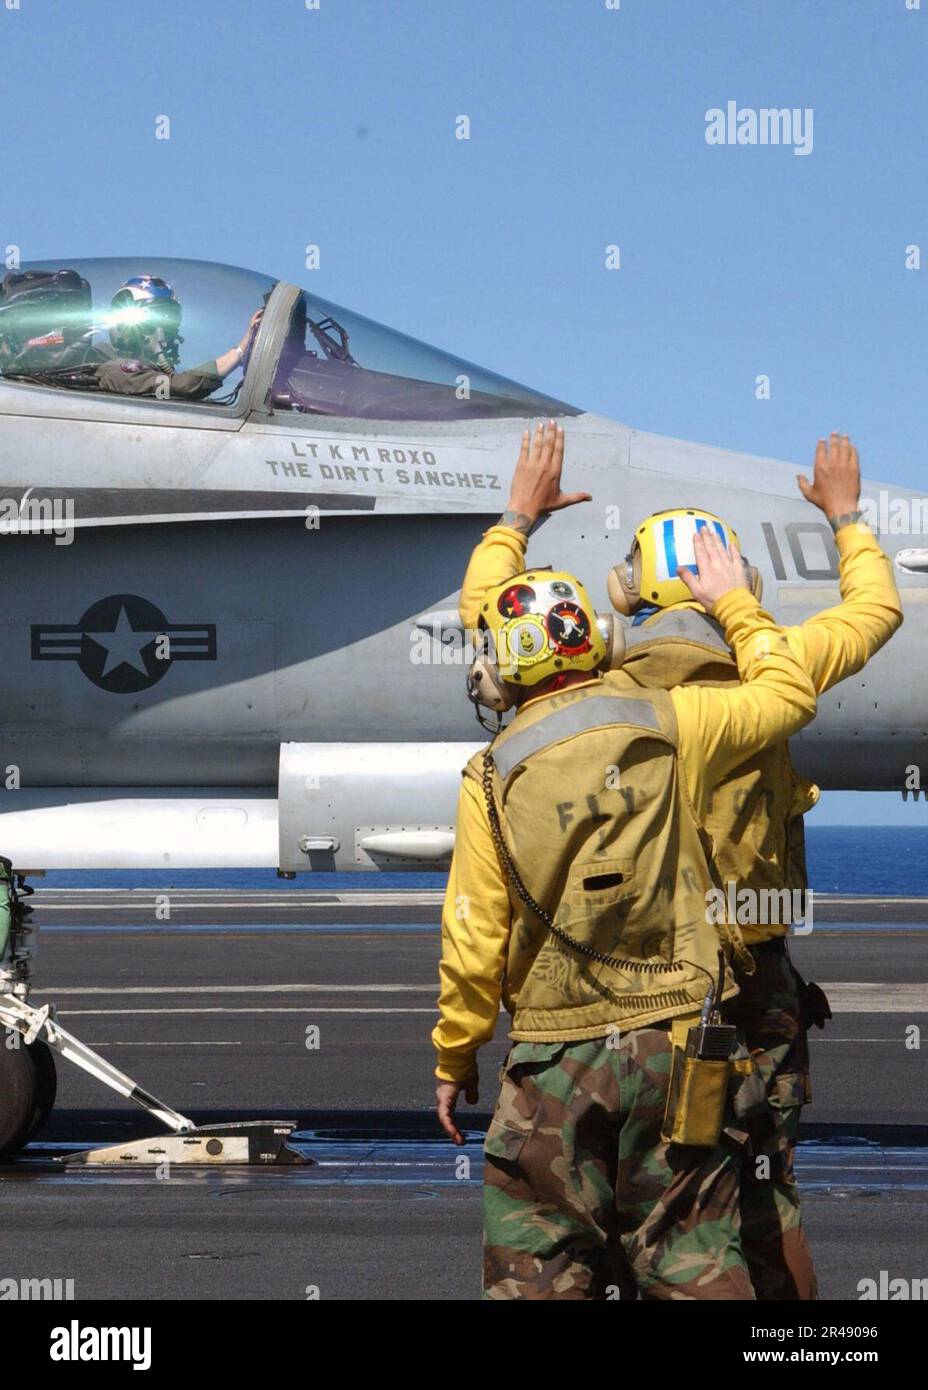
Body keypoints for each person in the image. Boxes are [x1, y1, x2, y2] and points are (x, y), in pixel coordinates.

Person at [455, 424, 903, 1300]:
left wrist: (517, 517)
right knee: (757, 1201)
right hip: (752, 983)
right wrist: (846, 517)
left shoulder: (602, 692)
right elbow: (875, 611)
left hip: (633, 994)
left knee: (594, 1225)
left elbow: (490, 612)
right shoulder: (771, 669)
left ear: (627, 596)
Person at [92, 275, 262, 400]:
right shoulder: (112, 368)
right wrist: (239, 350)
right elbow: (182, 387)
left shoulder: (150, 370)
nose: (163, 332)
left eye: (168, 322)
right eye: (153, 321)